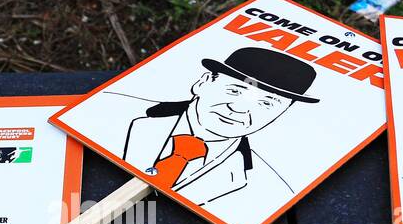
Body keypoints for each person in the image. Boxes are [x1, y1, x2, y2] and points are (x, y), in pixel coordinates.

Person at [121, 46, 316, 211]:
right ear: (203, 82)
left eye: (266, 103)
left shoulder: (269, 187)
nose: (238, 108)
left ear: (281, 113)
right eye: (234, 90)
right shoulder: (117, 107)